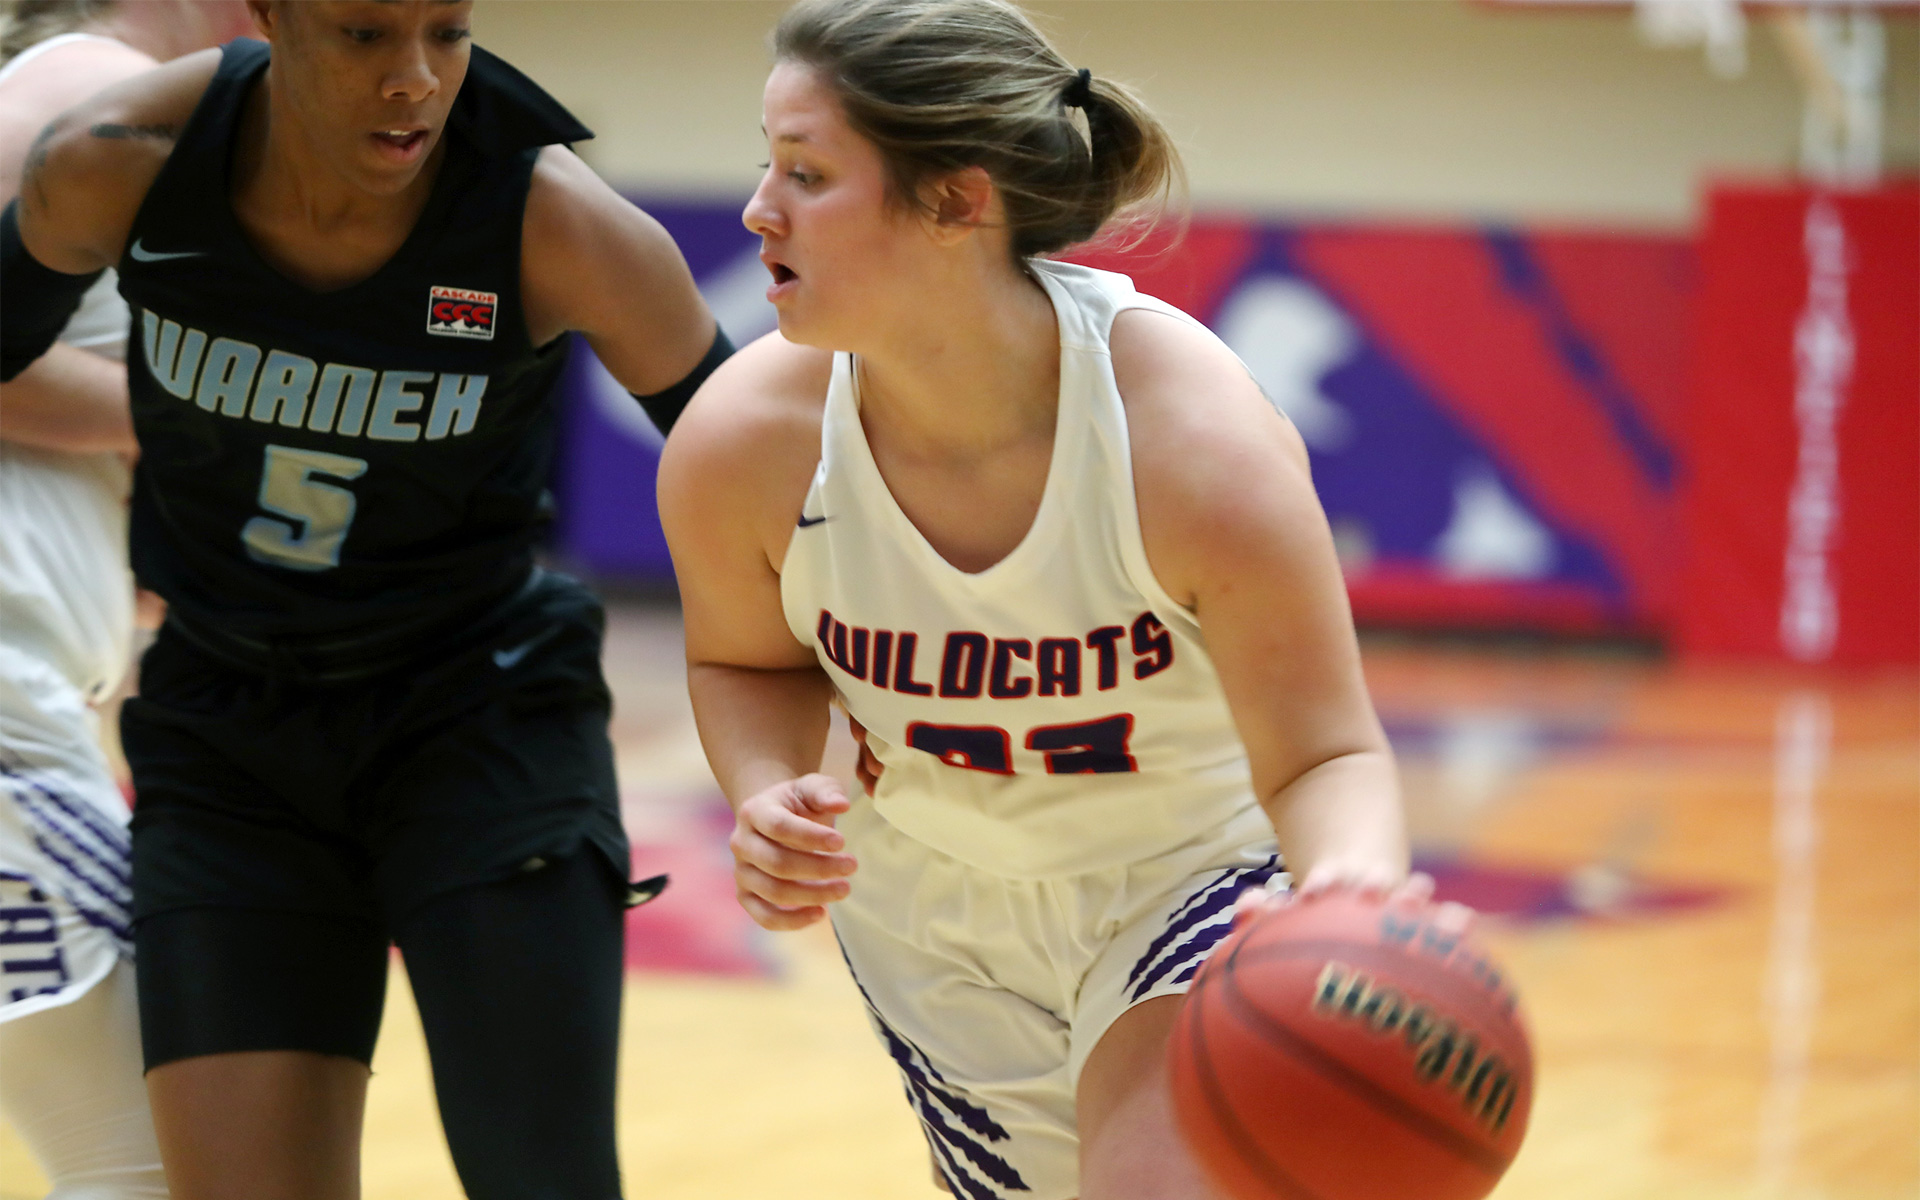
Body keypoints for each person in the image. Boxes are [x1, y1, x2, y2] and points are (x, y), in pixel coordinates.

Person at [659, 1, 1420, 1197]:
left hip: (1186, 880)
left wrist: (1350, 899)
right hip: (926, 917)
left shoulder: (1188, 442)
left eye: (806, 174)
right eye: (768, 164)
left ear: (959, 203)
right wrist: (764, 795)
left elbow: (1327, 752)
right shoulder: (740, 446)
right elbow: (744, 665)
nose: (759, 208)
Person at [0, 2, 726, 1197]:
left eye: (447, 31)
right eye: (364, 35)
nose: (416, 79)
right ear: (270, 16)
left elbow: (750, 459)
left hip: (475, 716)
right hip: (227, 730)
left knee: (541, 1178)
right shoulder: (118, 161)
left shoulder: (554, 217)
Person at [0, 3, 251, 1197]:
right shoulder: (98, 86)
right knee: (151, 1156)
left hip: (43, 692)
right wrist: (214, 416)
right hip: (6, 704)